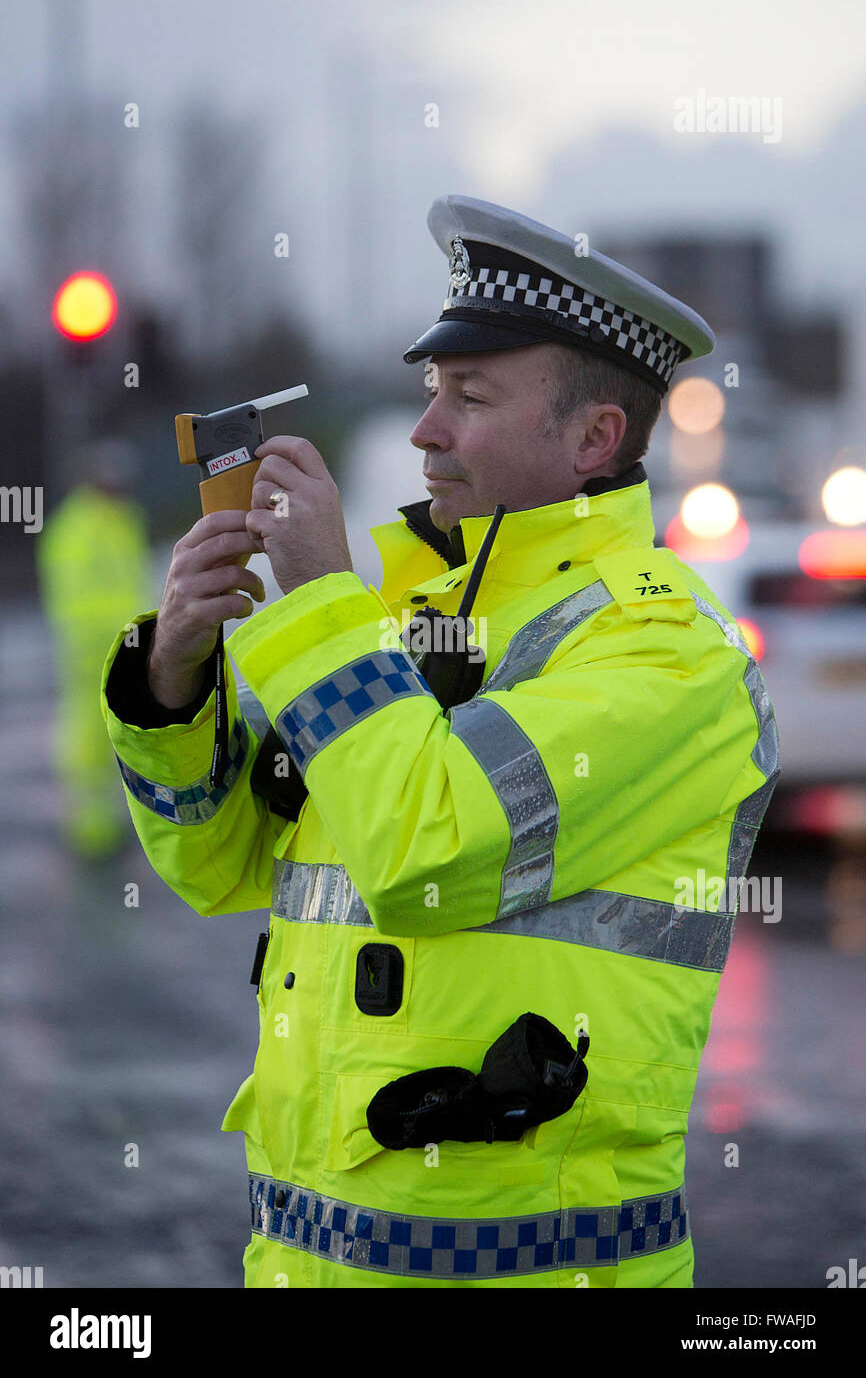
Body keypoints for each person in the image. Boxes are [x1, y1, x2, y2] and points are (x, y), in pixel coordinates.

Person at [101, 195, 780, 1288]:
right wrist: (173, 681)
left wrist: (320, 599)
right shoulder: (404, 627)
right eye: (429, 392)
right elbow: (219, 864)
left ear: (592, 437)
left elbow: (427, 849)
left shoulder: (666, 655)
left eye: (467, 396)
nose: (425, 429)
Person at [37, 439, 149, 859]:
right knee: (89, 735)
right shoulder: (79, 525)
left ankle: (110, 823)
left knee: (116, 733)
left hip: (122, 642)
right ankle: (91, 827)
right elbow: (76, 594)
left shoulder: (119, 518)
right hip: (91, 648)